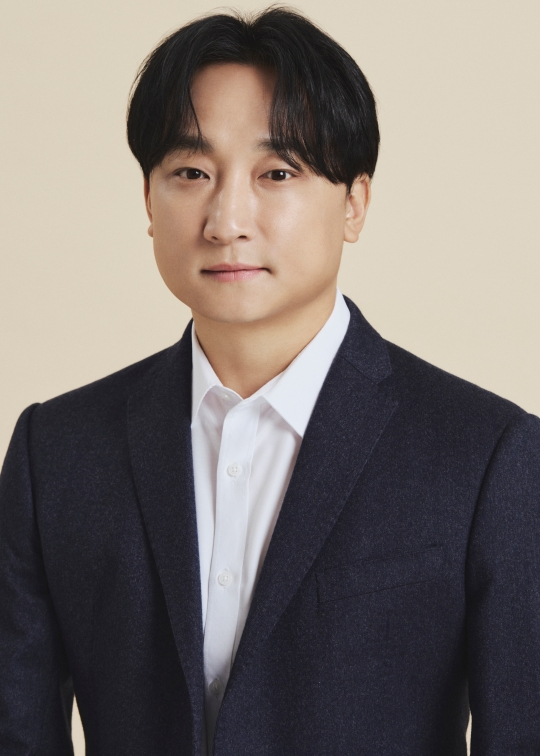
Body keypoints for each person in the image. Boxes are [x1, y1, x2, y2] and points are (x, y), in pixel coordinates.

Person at [1, 6, 539, 755]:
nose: (226, 219)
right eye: (191, 173)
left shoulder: (486, 455)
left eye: (277, 173)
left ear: (354, 204)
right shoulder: (55, 451)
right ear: (148, 202)